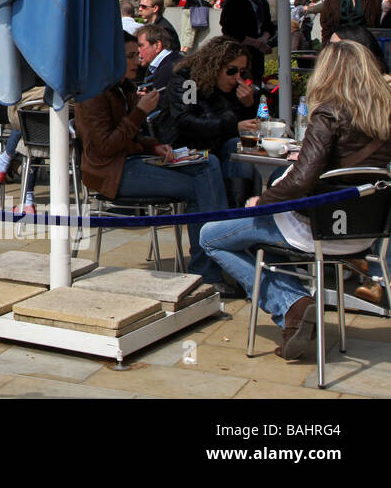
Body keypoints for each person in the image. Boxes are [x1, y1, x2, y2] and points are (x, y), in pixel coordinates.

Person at [202, 41, 391, 360]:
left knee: (211, 236)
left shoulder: (329, 113)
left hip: (316, 229)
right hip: (366, 234)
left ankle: (289, 305)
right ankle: (293, 306)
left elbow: (300, 180)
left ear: (327, 73)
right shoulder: (384, 114)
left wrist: (263, 201)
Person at [76, 32, 235, 294]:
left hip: (128, 161)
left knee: (210, 164)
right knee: (202, 181)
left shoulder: (120, 87)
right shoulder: (94, 94)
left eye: (136, 55)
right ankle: (211, 266)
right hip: (110, 173)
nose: (136, 61)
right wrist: (140, 112)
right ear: (111, 59)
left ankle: (215, 258)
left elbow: (131, 136)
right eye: (129, 56)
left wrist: (154, 145)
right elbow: (105, 147)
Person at [153, 35, 259, 205]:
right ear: (215, 66)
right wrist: (233, 126)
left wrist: (248, 106)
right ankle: (223, 221)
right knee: (213, 160)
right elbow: (185, 121)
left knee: (241, 147)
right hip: (182, 147)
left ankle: (240, 212)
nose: (237, 77)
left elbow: (238, 127)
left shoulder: (233, 88)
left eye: (242, 72)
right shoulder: (188, 81)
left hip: (216, 145)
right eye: (231, 71)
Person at [218, 0, 275, 85]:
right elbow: (228, 29)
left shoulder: (262, 1)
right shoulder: (235, 1)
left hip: (257, 58)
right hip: (239, 54)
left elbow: (268, 25)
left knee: (257, 87)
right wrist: (256, 43)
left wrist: (264, 39)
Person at [135, 23, 183, 93]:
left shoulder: (169, 70)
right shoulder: (172, 62)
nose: (137, 50)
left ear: (157, 45)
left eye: (140, 46)